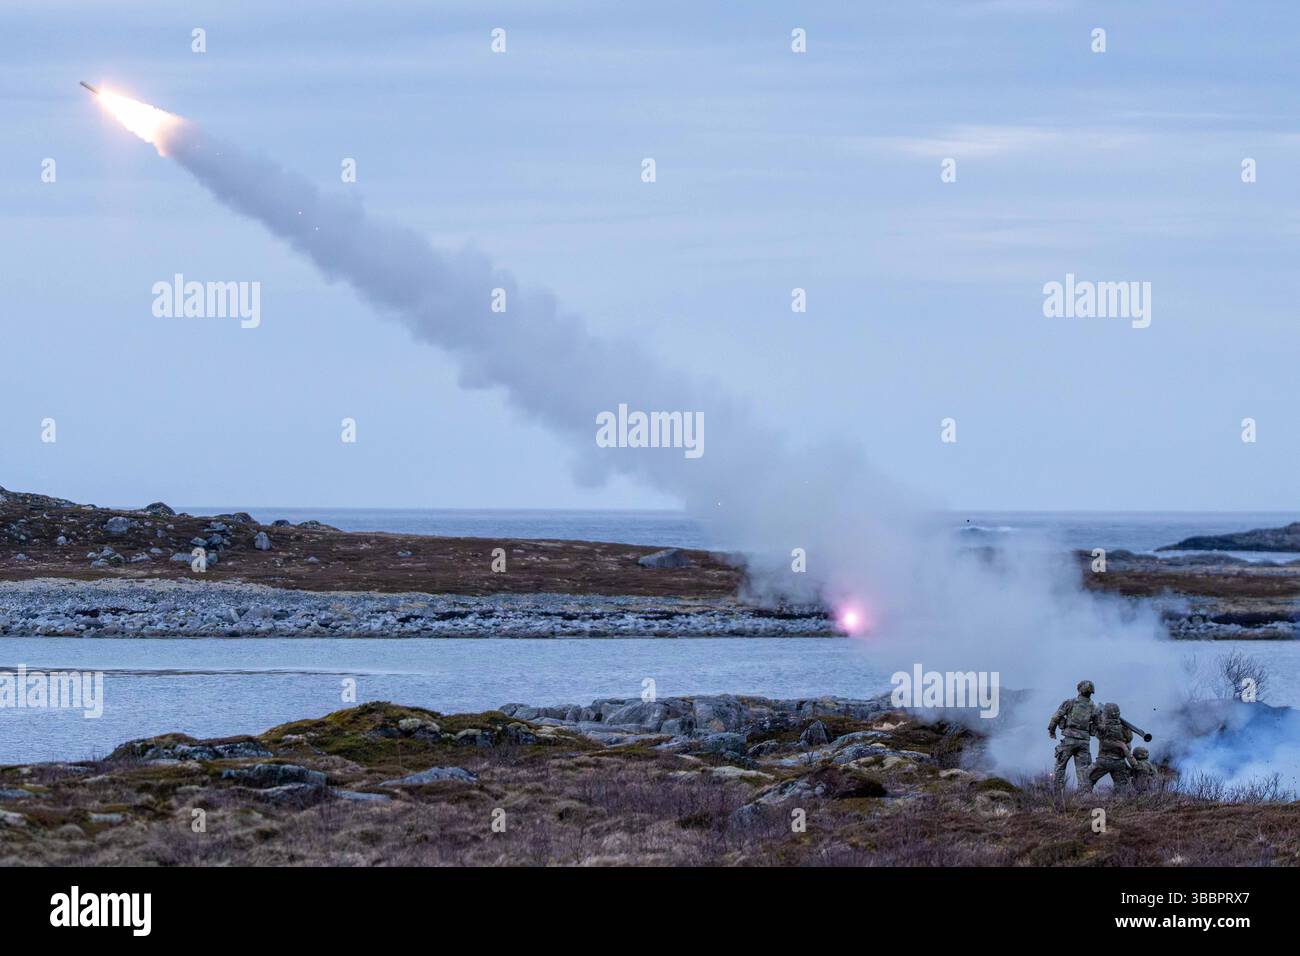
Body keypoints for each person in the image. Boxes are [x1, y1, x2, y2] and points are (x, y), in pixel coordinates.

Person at [1048, 679, 1100, 792]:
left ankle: (1057, 794)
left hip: (1069, 740)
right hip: (1084, 742)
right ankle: (1085, 797)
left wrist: (1051, 731)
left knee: (1060, 767)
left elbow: (1056, 717)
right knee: (1083, 771)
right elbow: (1098, 725)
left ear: (1079, 690)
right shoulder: (1094, 708)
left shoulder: (1070, 703)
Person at [1088, 702, 1136, 793]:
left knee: (1088, 779)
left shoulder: (1103, 727)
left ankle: (1083, 800)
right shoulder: (1125, 728)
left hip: (1103, 761)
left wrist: (1099, 718)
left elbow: (1097, 735)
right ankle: (1120, 804)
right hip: (1119, 762)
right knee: (1122, 787)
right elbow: (1129, 738)